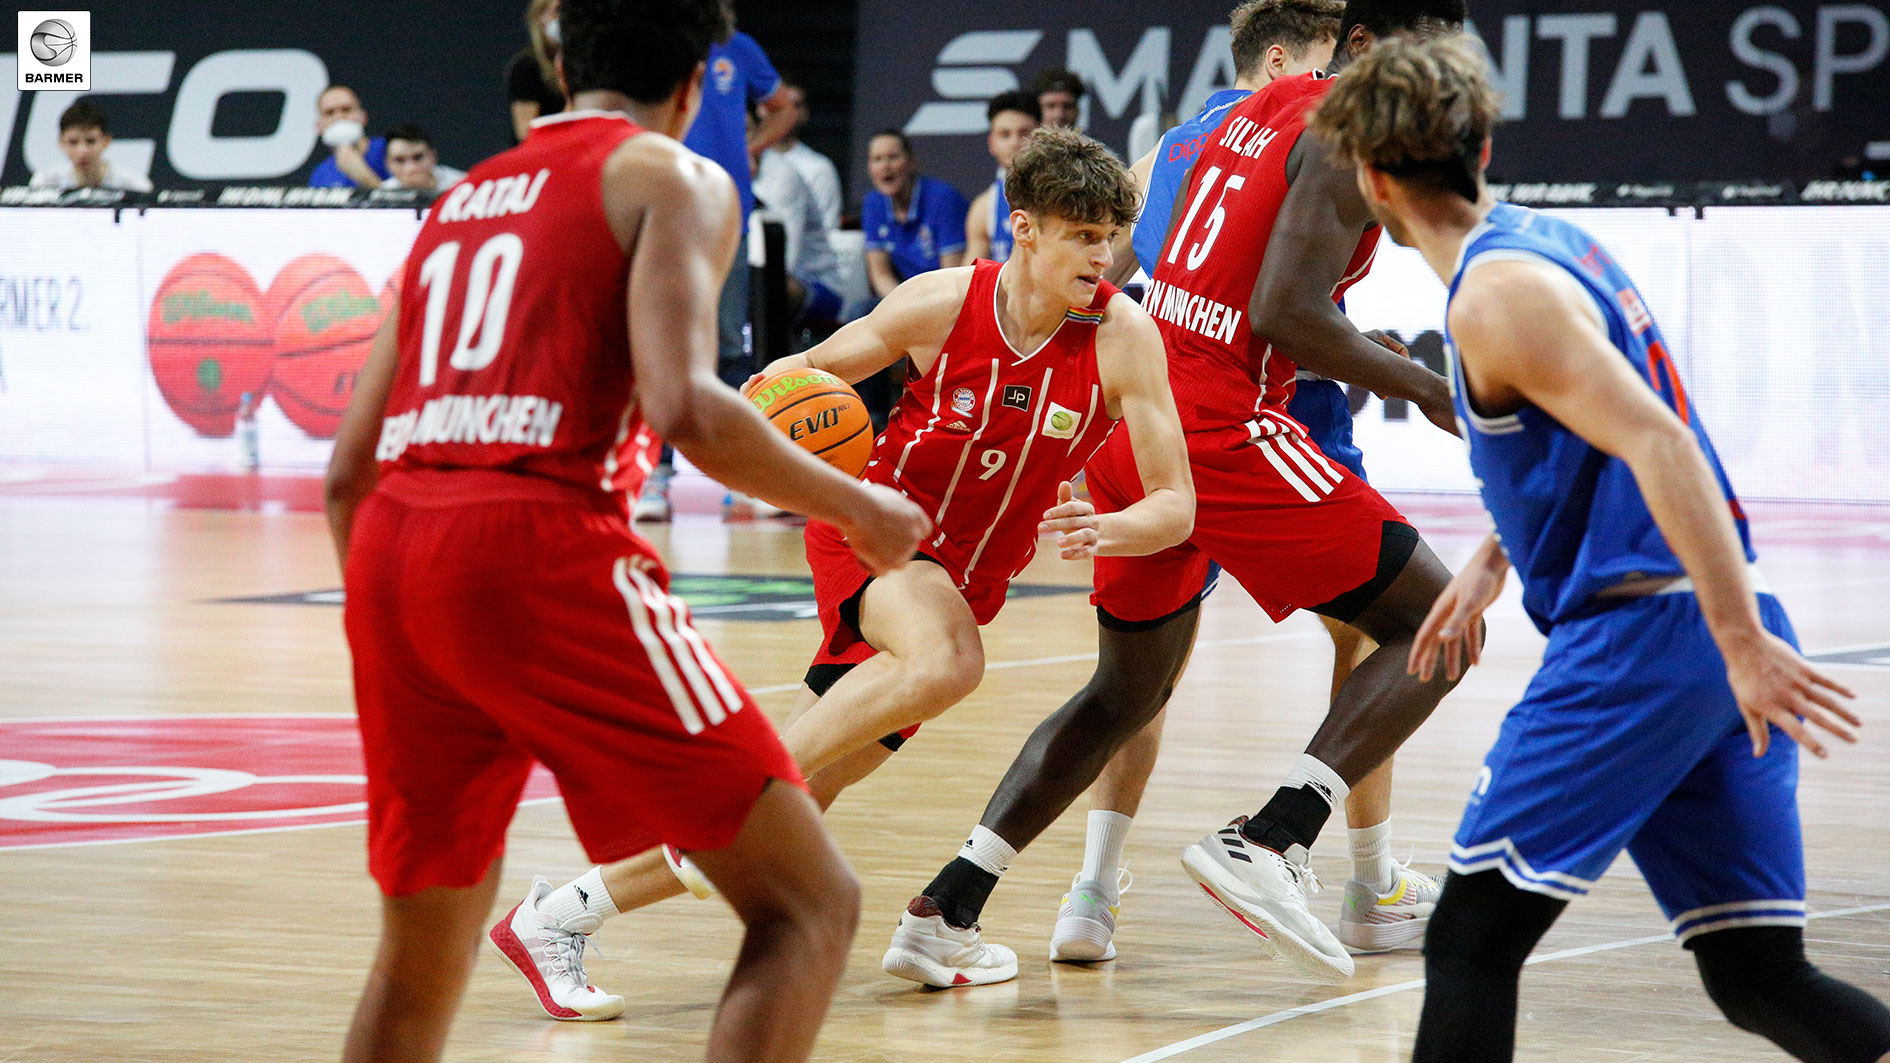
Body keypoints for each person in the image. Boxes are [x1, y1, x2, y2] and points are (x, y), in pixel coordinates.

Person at [322, 0, 929, 1057]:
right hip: (538, 546)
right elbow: (685, 405)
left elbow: (345, 471)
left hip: (392, 555)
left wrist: (408, 624)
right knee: (807, 904)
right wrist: (855, 502)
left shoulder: (460, 199)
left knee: (418, 959)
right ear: (699, 83)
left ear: (561, 67)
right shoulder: (673, 177)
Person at [494, 127, 1196, 1009]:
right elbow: (803, 374)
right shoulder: (939, 305)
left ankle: (555, 916)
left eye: (1109, 237)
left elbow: (1176, 504)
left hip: (962, 584)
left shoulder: (1123, 334)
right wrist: (769, 441)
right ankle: (757, 781)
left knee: (782, 822)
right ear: (1023, 227)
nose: (1102, 255)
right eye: (1081, 235)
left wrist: (1113, 523)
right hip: (877, 536)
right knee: (949, 664)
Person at [1313, 34, 1890, 1063]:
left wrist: (1739, 640)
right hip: (1694, 636)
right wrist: (1498, 555)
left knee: (1470, 938)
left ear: (1369, 179)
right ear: (1483, 143)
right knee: (1758, 975)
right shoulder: (1546, 240)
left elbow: (1661, 441)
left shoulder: (1496, 298)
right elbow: (1594, 437)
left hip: (1648, 644)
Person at [892, 0, 1470, 988]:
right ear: (1366, 48)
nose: (1436, 86)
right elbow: (1284, 313)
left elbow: (1233, 265)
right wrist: (1422, 383)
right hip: (1219, 424)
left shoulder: (1264, 105)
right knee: (1439, 621)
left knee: (1126, 689)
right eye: (1425, 61)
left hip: (1140, 402)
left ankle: (946, 909)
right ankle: (1274, 837)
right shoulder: (1340, 132)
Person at [1073, 0, 1426, 965]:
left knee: (1147, 670)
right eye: (1319, 60)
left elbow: (1126, 287)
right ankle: (1368, 878)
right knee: (1378, 635)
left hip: (1174, 403)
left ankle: (1092, 893)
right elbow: (1279, 305)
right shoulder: (1312, 125)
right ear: (1286, 56)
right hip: (1271, 407)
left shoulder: (1176, 147)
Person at [637, 21, 797, 523]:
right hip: (662, 208)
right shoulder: (656, 40)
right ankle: (652, 478)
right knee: (656, 342)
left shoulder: (739, 49)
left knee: (730, 345)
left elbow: (783, 106)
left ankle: (743, 480)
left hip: (728, 211)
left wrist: (747, 149)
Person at [752, 113, 846, 329]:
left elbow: (783, 263)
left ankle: (768, 359)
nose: (743, 140)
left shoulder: (783, 177)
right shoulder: (721, 172)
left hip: (816, 284)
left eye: (748, 131)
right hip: (760, 275)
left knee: (774, 287)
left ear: (761, 134)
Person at [860, 130, 967, 299]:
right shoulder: (873, 203)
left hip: (945, 297)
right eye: (877, 159)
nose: (885, 166)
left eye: (893, 157)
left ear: (911, 162)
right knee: (858, 311)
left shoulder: (943, 198)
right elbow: (880, 274)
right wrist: (903, 305)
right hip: (903, 297)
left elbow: (953, 276)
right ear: (869, 168)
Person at [963, 91, 1041, 263]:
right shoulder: (984, 207)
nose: (1015, 142)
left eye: (1024, 133)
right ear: (992, 143)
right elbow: (971, 278)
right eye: (1005, 134)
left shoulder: (1065, 196)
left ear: (1040, 137)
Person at [768, 74, 843, 231]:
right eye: (778, 104)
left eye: (794, 105)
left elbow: (827, 233)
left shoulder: (820, 169)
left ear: (805, 114)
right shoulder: (743, 162)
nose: (786, 112)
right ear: (761, 109)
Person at [29, 100, 152, 192]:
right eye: (73, 142)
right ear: (61, 143)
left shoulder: (133, 186)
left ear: (106, 141)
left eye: (90, 141)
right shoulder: (45, 184)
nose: (82, 151)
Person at [505, 0, 565, 143]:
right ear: (538, 18)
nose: (564, 16)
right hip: (541, 158)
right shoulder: (526, 66)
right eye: (558, 10)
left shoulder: (579, 64)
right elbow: (525, 133)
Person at [310, 85, 390, 189]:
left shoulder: (389, 150)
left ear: (363, 117)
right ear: (318, 126)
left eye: (346, 110)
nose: (339, 117)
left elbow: (408, 200)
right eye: (329, 113)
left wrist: (365, 177)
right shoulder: (320, 174)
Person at [380, 124, 467, 193]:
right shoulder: (382, 194)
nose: (411, 168)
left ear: (433, 157)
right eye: (400, 160)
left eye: (418, 158)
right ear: (388, 164)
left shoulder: (463, 184)